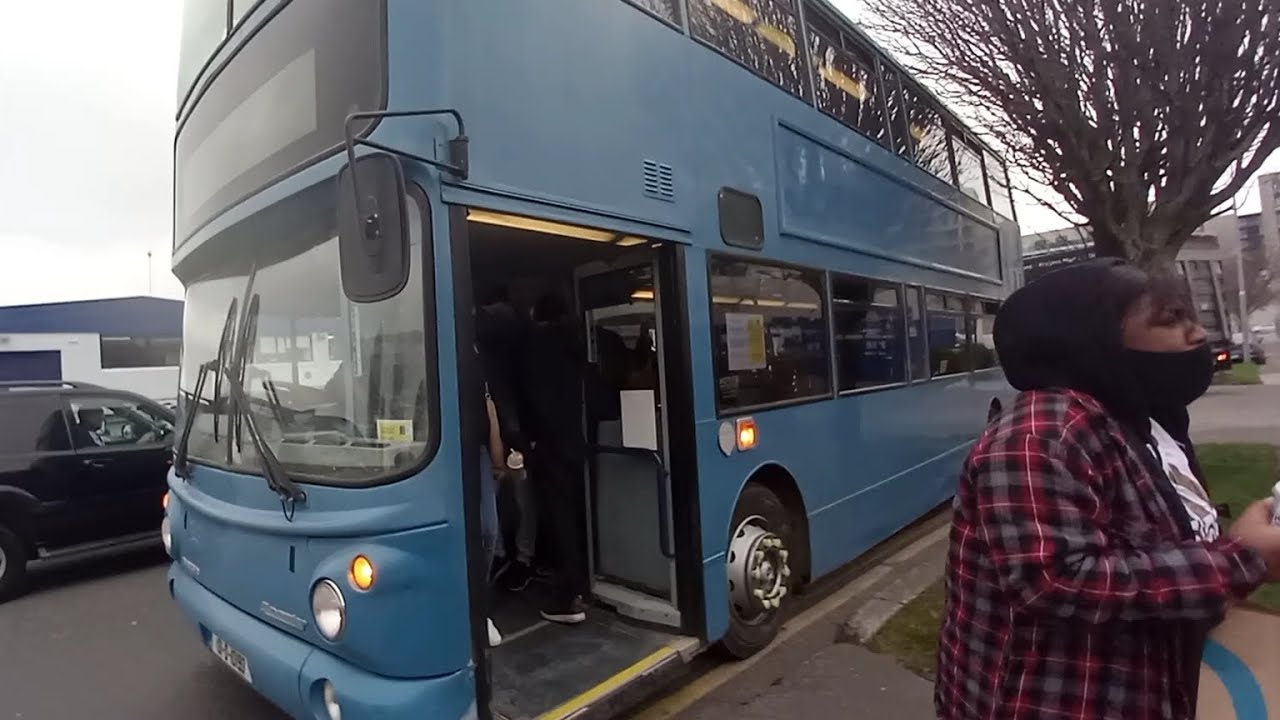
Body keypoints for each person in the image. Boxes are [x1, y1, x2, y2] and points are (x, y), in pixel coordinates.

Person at [935, 258, 1280, 720]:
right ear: (1094, 339)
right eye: (1170, 319)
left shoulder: (1145, 418)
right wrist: (1242, 560)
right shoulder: (1042, 434)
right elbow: (1055, 581)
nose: (1197, 334)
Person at [522, 292, 591, 624]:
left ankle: (566, 596)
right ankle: (582, 583)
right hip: (575, 442)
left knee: (558, 518)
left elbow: (534, 401)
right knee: (575, 515)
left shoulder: (538, 349)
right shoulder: (576, 345)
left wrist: (528, 442)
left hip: (550, 445)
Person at [475, 286, 543, 592]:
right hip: (513, 430)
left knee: (512, 497)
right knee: (518, 497)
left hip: (508, 431)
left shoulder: (487, 351)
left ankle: (514, 557)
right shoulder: (518, 347)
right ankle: (519, 557)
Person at [473, 340, 528, 647]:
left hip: (478, 453)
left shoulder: (476, 352)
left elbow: (488, 405)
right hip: (447, 451)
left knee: (487, 530)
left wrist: (497, 458)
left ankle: (479, 610)